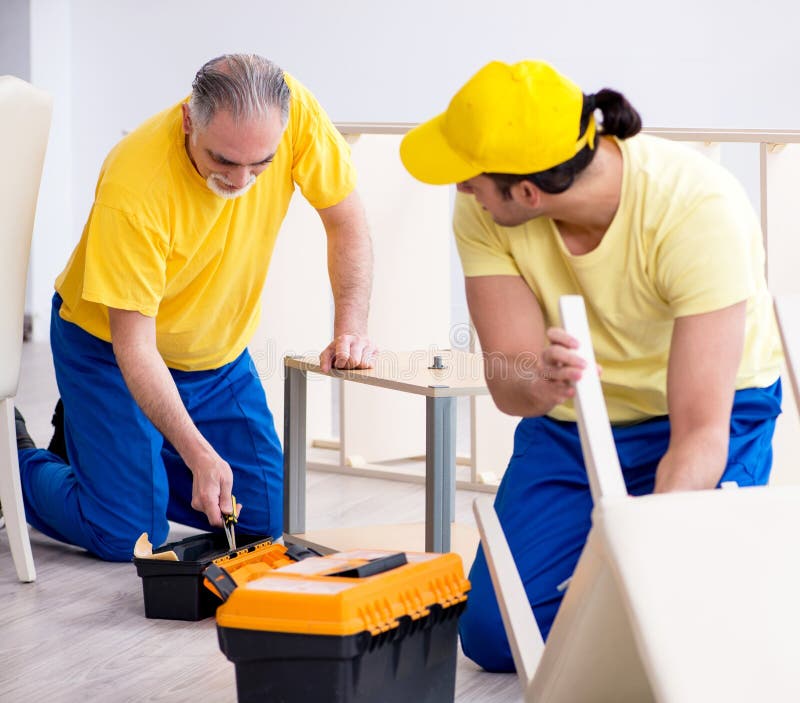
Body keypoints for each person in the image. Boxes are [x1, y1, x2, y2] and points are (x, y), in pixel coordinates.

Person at [400, 59, 783, 672]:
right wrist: (542, 381)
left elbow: (700, 433)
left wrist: (644, 552)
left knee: (681, 620)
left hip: (713, 416)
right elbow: (511, 387)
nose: (463, 190)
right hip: (574, 423)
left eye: (472, 179)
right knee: (497, 635)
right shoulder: (484, 211)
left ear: (528, 192)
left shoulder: (696, 207)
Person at [15, 54, 375, 562]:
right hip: (110, 351)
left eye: (262, 163)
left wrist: (350, 328)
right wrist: (197, 452)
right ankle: (14, 459)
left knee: (265, 521)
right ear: (189, 120)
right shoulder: (134, 185)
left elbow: (346, 220)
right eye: (224, 161)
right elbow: (135, 348)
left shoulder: (294, 110)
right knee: (129, 535)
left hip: (214, 353)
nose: (243, 180)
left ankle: (99, 450)